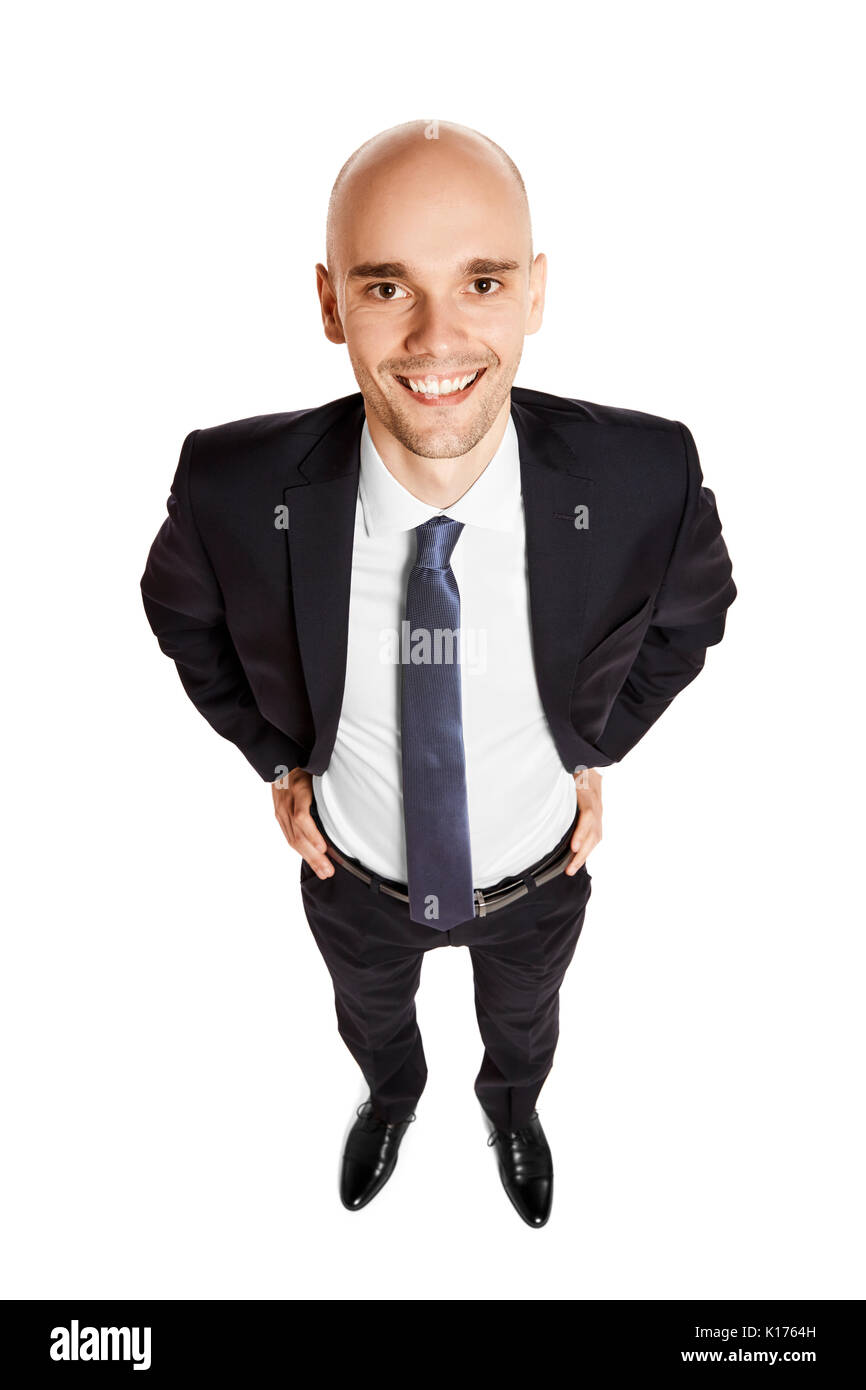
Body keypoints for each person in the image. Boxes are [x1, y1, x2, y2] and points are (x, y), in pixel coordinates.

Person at [140, 119, 736, 1227]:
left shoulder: (646, 475)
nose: (435, 335)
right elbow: (180, 613)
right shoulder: (228, 484)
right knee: (369, 1014)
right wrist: (276, 756)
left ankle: (510, 1109)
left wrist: (591, 744)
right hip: (354, 877)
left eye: (480, 281)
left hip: (535, 871)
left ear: (534, 292)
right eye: (384, 288)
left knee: (525, 1022)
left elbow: (690, 618)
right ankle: (392, 1093)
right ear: (329, 304)